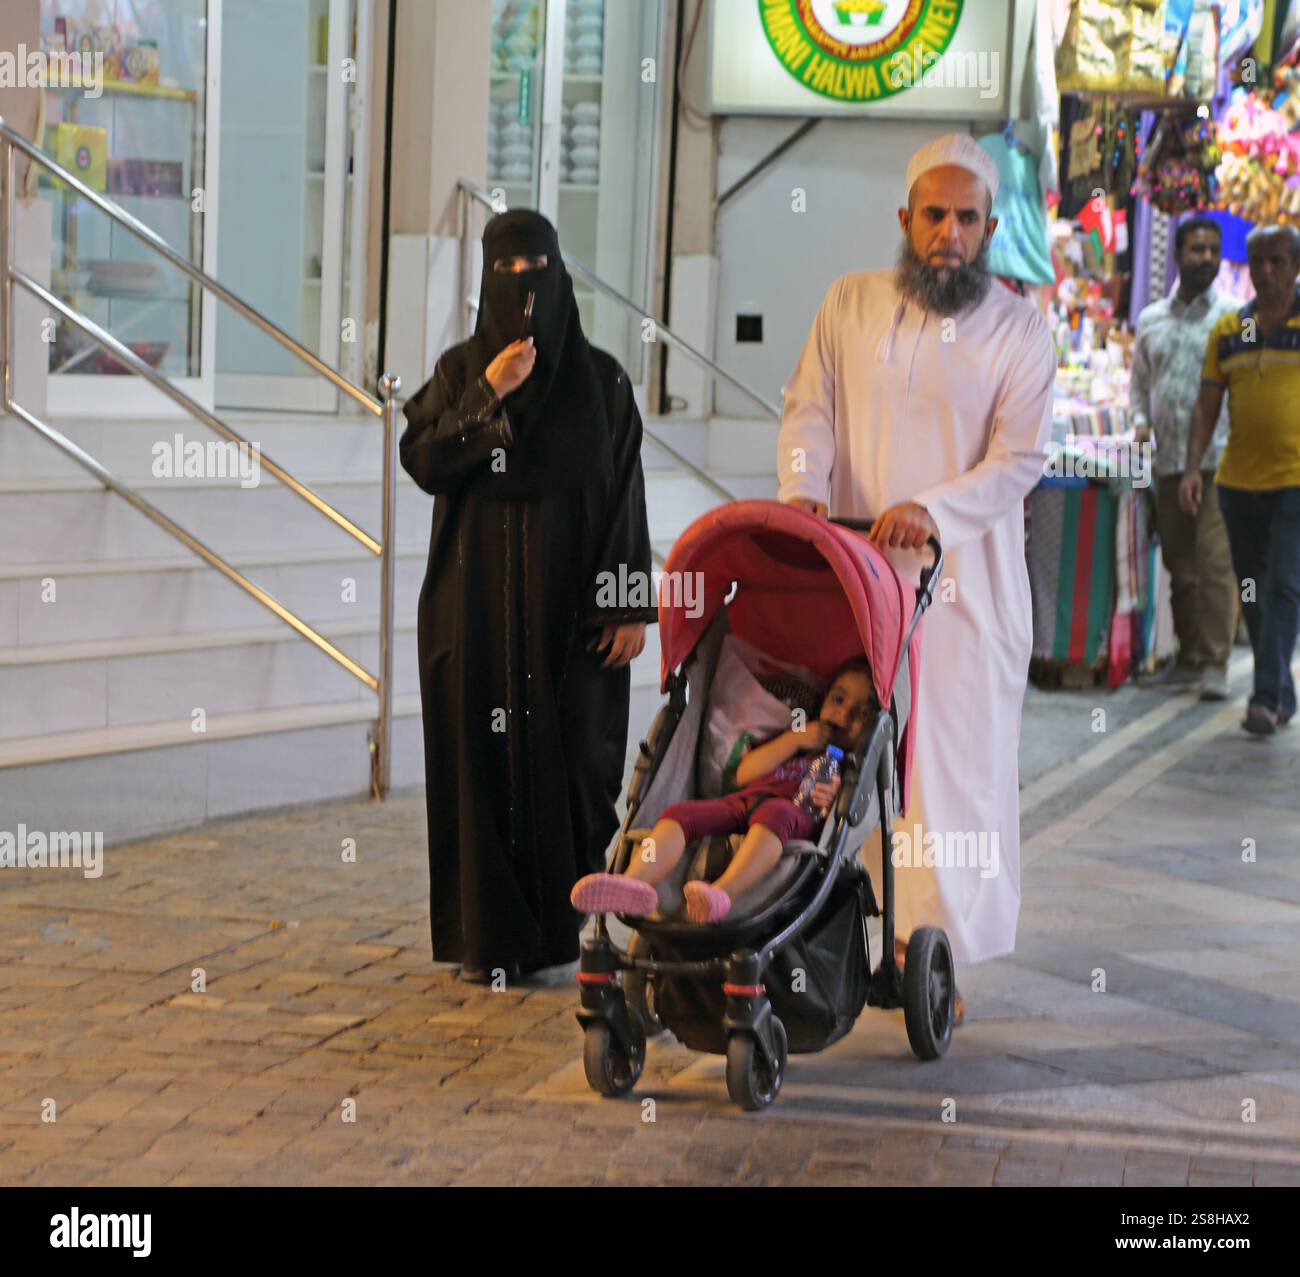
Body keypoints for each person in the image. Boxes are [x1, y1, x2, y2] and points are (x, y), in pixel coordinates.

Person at [777, 133, 1056, 1023]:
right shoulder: (849, 304)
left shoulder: (1019, 329)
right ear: (905, 218)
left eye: (967, 218)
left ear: (990, 226)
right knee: (846, 758)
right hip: (858, 578)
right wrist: (803, 490)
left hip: (964, 591)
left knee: (947, 776)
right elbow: (807, 409)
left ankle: (930, 955)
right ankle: (812, 923)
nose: (949, 234)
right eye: (933, 214)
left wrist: (933, 508)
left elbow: (1020, 460)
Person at [399, 209, 656, 981]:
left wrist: (627, 600)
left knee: (578, 760)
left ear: (561, 274)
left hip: (572, 615)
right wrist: (488, 392)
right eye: (505, 274)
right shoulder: (456, 374)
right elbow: (426, 460)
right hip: (472, 610)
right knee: (478, 763)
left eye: (536, 269)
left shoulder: (602, 382)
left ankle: (573, 926)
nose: (523, 289)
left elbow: (625, 494)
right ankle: (493, 940)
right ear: (484, 280)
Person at [569, 658, 875, 924]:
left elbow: (848, 807)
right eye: (838, 699)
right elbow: (743, 774)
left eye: (860, 713)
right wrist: (794, 740)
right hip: (744, 800)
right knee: (678, 813)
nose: (844, 716)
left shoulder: (850, 764)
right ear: (823, 698)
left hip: (790, 817)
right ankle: (631, 884)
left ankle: (721, 893)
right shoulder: (793, 733)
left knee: (776, 812)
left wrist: (834, 797)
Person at [1179, 224, 1300, 736]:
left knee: (1281, 586)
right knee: (1249, 589)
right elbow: (1208, 405)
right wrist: (1191, 466)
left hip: (1294, 483)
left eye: (1277, 262)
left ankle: (1265, 697)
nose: (1267, 273)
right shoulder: (1234, 330)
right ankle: (1280, 692)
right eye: (1259, 263)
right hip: (1238, 486)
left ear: (1295, 265)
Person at [1130, 216, 1240, 700]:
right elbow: (1138, 384)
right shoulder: (1152, 318)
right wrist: (1138, 424)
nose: (1206, 259)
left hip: (1220, 461)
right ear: (1177, 255)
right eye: (1197, 249)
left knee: (1215, 562)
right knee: (1180, 563)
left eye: (1213, 250)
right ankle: (1190, 656)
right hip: (1168, 462)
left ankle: (1215, 661)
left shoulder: (1238, 318)